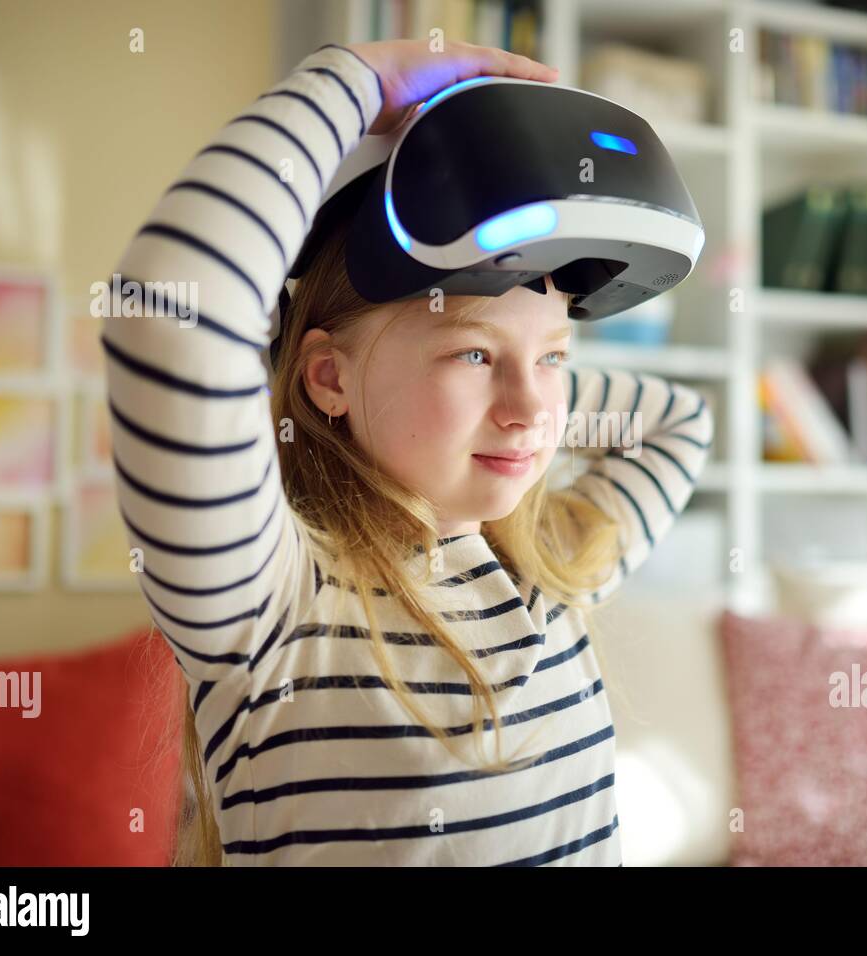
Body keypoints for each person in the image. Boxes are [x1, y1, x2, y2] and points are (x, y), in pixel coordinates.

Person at [102, 38, 713, 865]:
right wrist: (358, 82)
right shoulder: (272, 607)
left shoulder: (557, 572)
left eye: (556, 358)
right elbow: (170, 310)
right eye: (471, 354)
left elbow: (681, 420)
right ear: (328, 377)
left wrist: (510, 381)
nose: (533, 407)